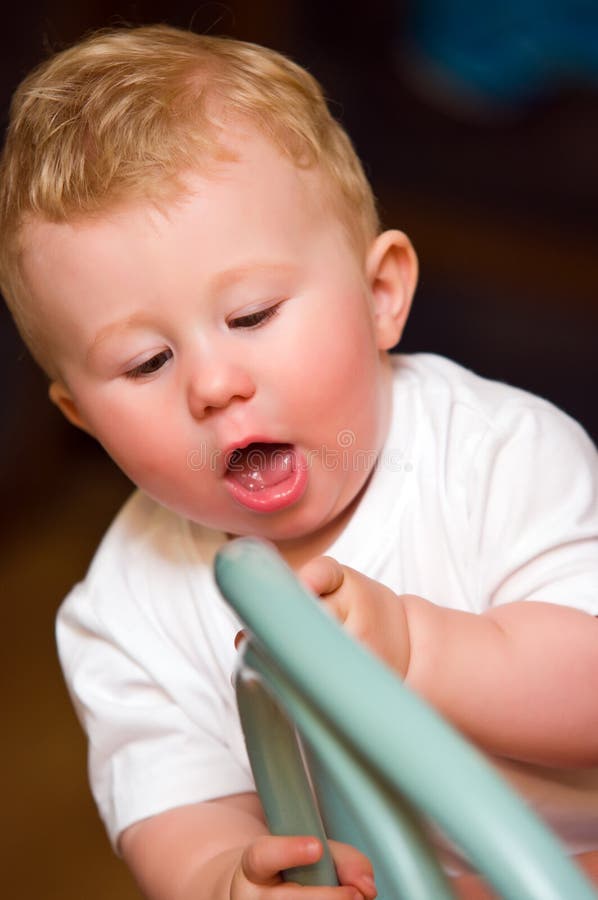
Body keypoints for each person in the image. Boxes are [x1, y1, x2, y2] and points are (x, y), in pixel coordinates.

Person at [1, 23, 597, 900]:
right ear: (83, 418)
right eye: (146, 363)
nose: (212, 383)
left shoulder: (496, 454)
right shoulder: (125, 608)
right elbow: (175, 807)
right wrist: (222, 879)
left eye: (250, 315)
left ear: (381, 294)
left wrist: (415, 651)